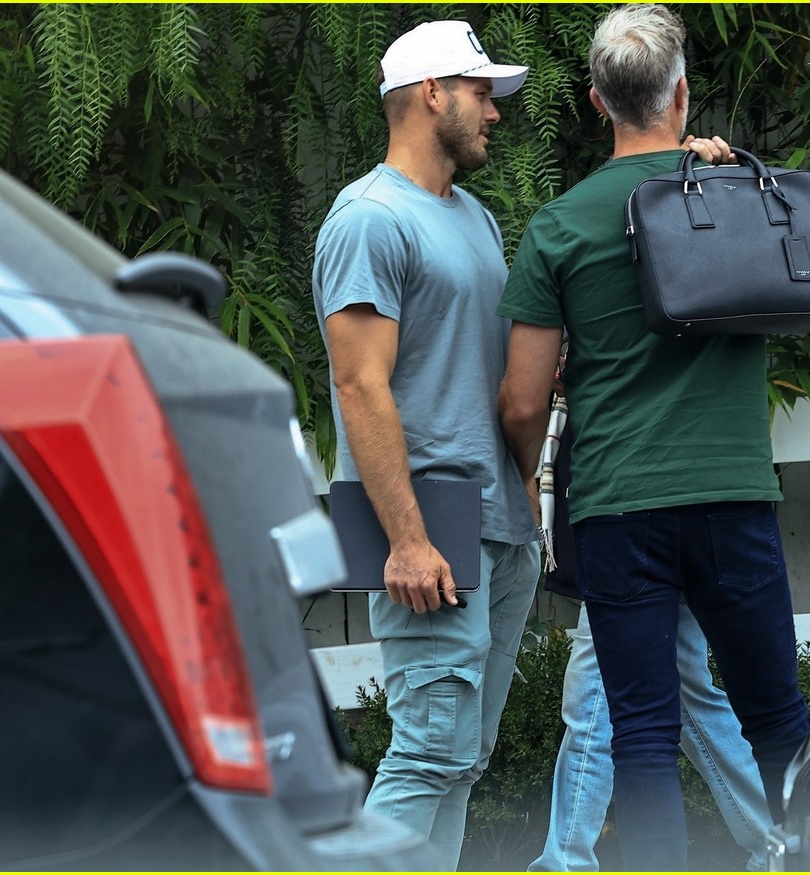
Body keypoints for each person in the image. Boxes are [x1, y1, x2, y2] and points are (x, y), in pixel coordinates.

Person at [497, 4, 810, 870]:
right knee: (778, 717)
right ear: (682, 94)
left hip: (619, 504)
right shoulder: (731, 192)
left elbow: (523, 400)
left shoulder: (558, 225)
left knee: (640, 731)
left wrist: (525, 475)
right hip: (732, 492)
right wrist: (717, 171)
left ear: (597, 102)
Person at [311, 20, 540, 870]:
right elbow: (359, 385)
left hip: (498, 526)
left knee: (461, 758)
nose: (495, 112)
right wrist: (406, 538)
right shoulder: (369, 220)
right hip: (431, 533)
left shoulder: (473, 218)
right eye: (482, 93)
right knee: (428, 751)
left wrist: (526, 496)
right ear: (432, 93)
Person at [530, 425, 771, 872]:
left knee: (594, 700)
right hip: (681, 500)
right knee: (689, 693)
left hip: (627, 511)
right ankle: (782, 843)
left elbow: (533, 405)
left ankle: (564, 863)